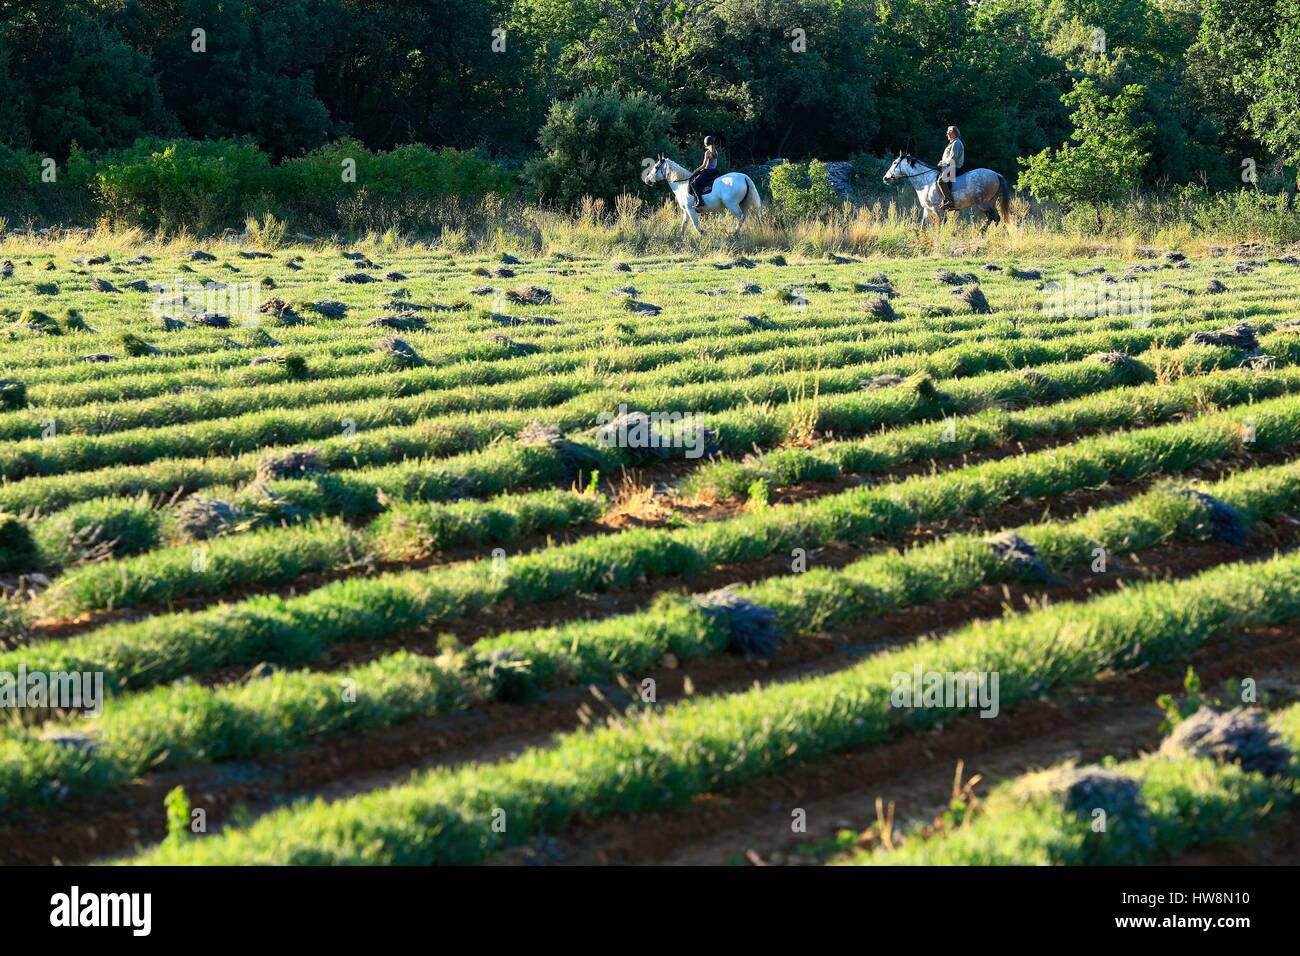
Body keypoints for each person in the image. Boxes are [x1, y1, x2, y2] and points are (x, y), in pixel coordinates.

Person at [936, 125, 965, 212]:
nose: (946, 134)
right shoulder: (953, 142)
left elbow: (953, 158)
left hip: (953, 166)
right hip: (950, 165)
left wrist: (942, 163)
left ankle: (950, 201)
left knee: (941, 181)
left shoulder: (956, 143)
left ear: (952, 133)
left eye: (948, 132)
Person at [688, 135, 721, 206]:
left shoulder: (707, 153)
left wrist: (695, 171)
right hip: (714, 171)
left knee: (693, 183)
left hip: (707, 171)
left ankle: (700, 200)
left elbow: (704, 165)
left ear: (706, 144)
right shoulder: (716, 152)